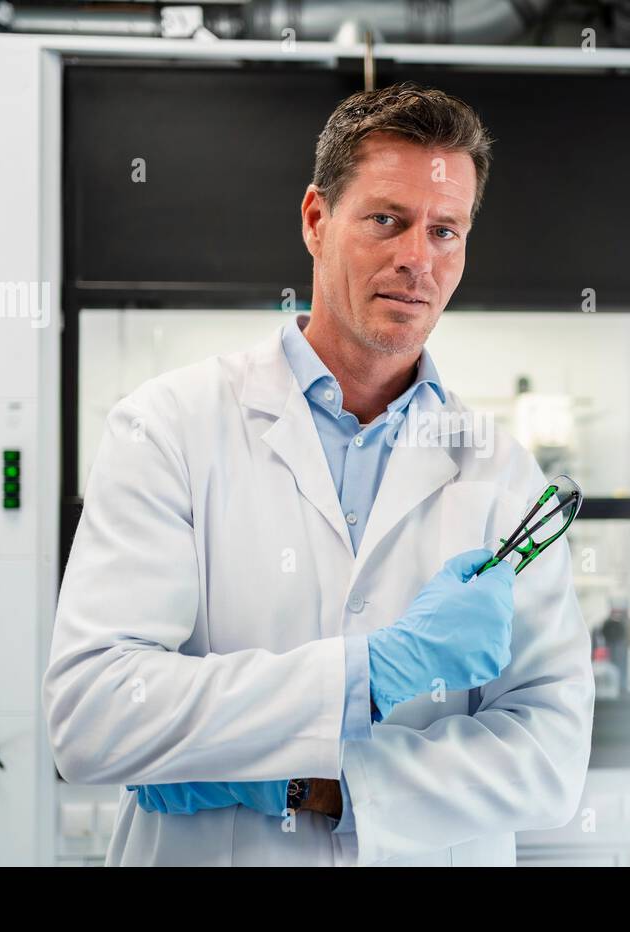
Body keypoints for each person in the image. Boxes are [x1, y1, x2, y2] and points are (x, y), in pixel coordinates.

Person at [42, 80, 595, 866]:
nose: (417, 259)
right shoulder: (168, 426)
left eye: (446, 230)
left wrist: (320, 788)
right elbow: (93, 716)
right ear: (315, 219)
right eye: (386, 220)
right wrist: (371, 673)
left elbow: (549, 756)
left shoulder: (501, 472)